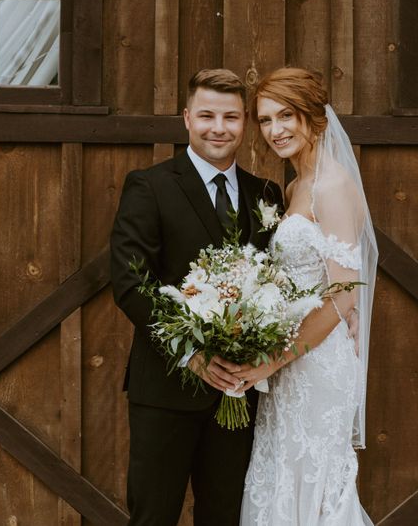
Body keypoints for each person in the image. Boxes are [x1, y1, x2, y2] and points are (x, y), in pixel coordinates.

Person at [110, 69, 284, 525]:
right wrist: (191, 355)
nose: (218, 128)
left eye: (230, 117)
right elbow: (131, 285)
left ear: (244, 122)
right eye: (206, 115)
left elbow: (276, 285)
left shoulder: (266, 194)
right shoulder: (150, 186)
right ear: (187, 118)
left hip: (238, 394)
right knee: (154, 515)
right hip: (166, 387)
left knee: (225, 516)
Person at [235, 67, 376, 525]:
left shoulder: (332, 187)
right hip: (289, 363)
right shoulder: (296, 187)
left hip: (315, 365)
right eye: (265, 120)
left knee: (312, 481)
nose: (275, 131)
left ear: (314, 117)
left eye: (286, 116)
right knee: (280, 478)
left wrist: (274, 359)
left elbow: (344, 296)